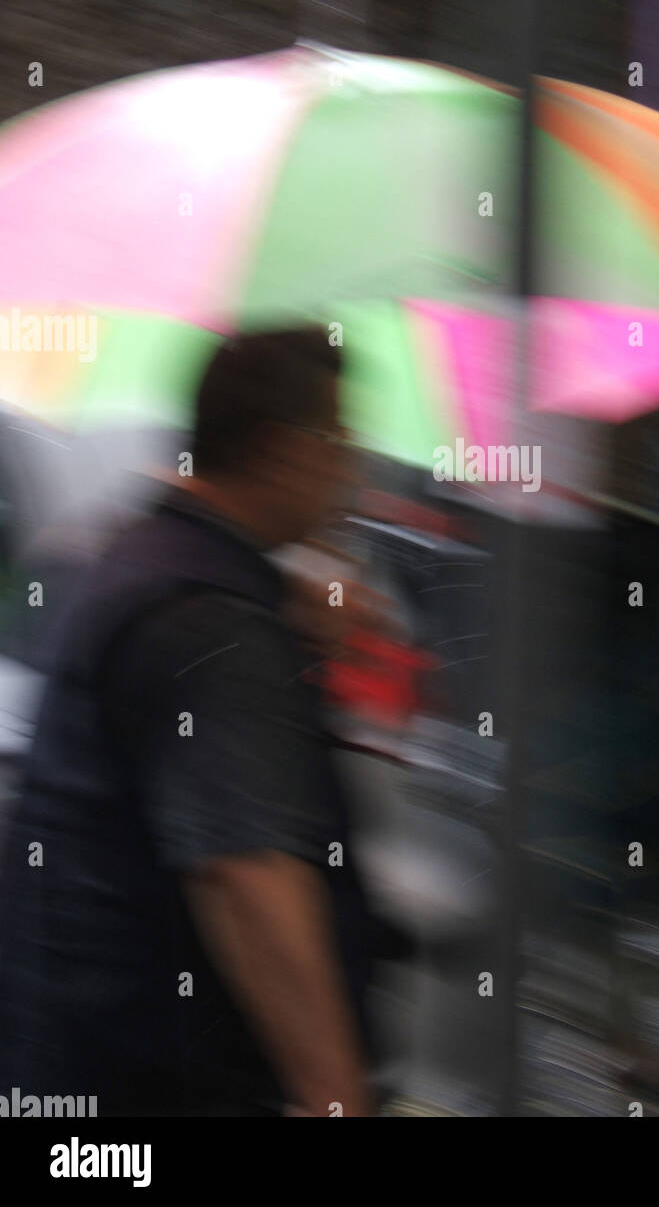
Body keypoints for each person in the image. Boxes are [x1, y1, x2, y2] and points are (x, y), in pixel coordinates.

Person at [0, 326, 391, 1116]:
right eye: (339, 439)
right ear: (281, 448)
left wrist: (275, 619)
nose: (350, 466)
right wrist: (331, 1094)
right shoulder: (212, 626)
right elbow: (245, 870)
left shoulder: (149, 560)